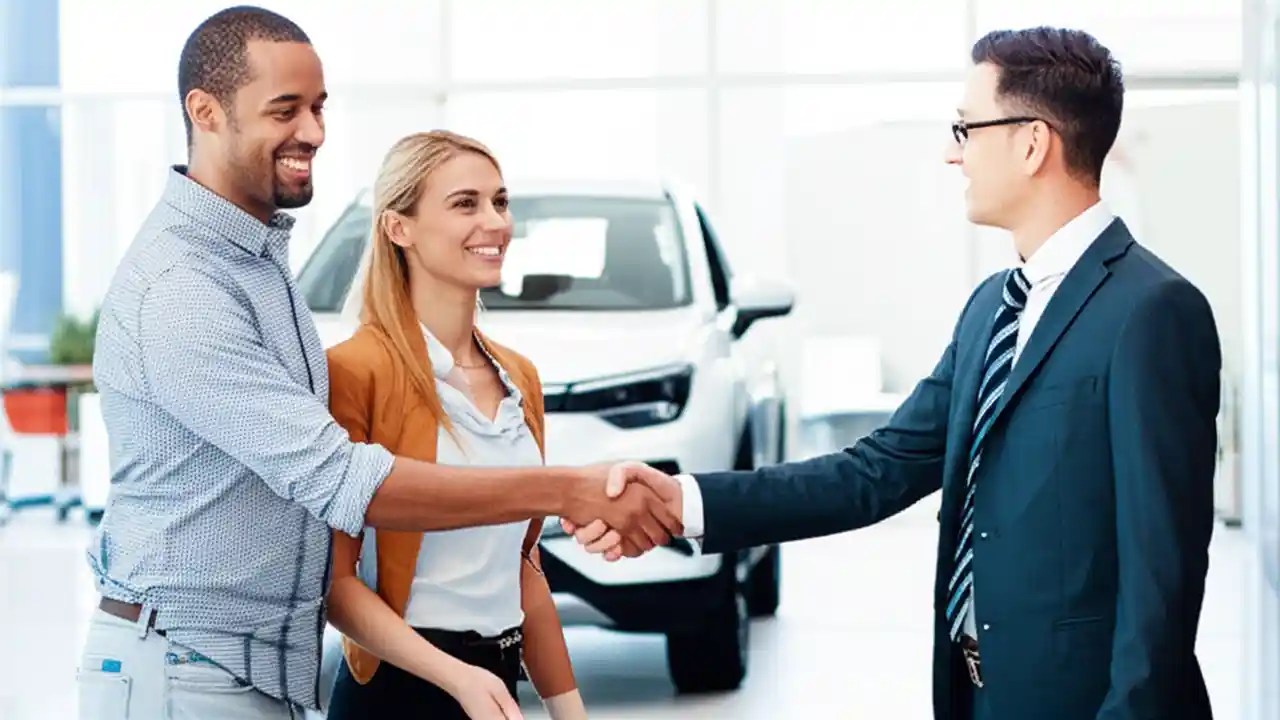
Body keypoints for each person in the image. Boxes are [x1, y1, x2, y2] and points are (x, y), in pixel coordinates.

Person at [571, 26, 1221, 720]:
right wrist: (683, 502)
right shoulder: (991, 309)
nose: (952, 152)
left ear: (1033, 143)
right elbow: (875, 471)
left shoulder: (1152, 311)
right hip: (976, 693)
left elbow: (1162, 576)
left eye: (967, 129)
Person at [76, 7, 675, 719]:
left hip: (241, 668)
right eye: (285, 110)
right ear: (204, 112)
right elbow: (341, 481)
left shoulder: (256, 264)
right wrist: (567, 489)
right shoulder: (184, 288)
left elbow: (516, 566)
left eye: (319, 108)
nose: (313, 132)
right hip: (187, 666)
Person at [321, 130, 587, 720]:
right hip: (399, 692)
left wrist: (569, 711)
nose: (495, 222)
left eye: (500, 201)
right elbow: (335, 585)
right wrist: (456, 678)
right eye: (465, 204)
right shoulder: (354, 370)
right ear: (399, 228)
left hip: (494, 685)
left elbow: (523, 567)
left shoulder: (519, 376)